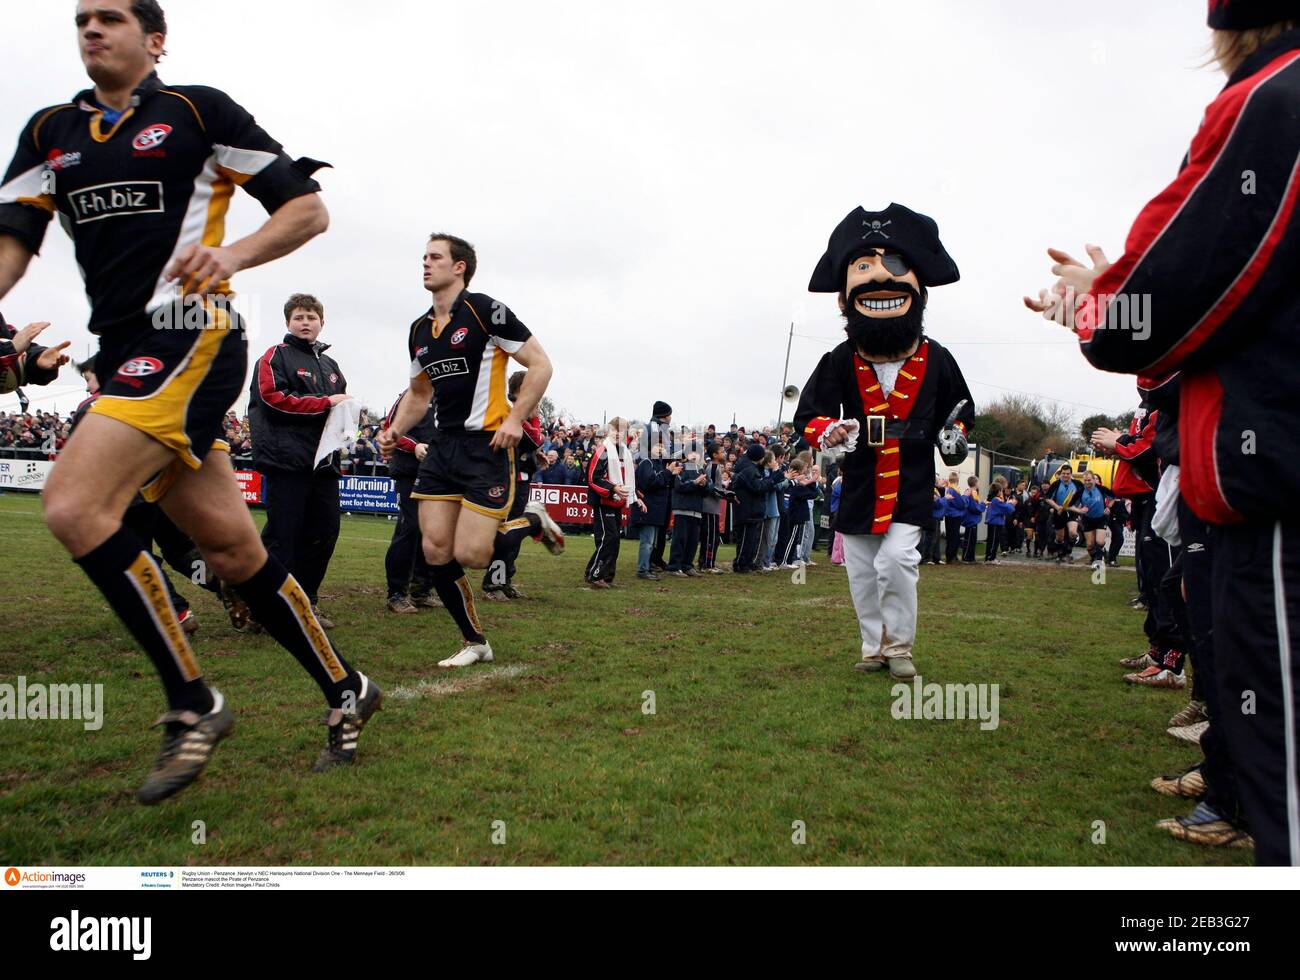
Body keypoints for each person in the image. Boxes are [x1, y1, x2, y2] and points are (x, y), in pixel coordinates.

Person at [0, 0, 381, 803]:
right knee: (238, 557)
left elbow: (306, 208)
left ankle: (192, 702)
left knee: (73, 504)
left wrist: (232, 252)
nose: (91, 30)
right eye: (80, 20)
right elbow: (11, 248)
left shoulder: (197, 111)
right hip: (125, 354)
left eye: (108, 17)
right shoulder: (47, 135)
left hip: (191, 335)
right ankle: (348, 688)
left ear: (156, 38)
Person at [1026, 0, 1300, 859]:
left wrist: (1096, 301)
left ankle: (1235, 798)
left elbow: (1166, 310)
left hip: (1277, 477)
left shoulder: (1277, 94)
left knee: (1284, 772)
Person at [795, 204, 975, 679]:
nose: (881, 279)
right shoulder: (838, 359)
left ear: (920, 292)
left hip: (912, 483)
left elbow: (959, 414)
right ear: (842, 299)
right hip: (858, 484)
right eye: (864, 267)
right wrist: (827, 432)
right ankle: (872, 647)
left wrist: (953, 437)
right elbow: (808, 414)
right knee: (861, 573)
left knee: (896, 560)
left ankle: (900, 646)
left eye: (895, 267)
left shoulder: (939, 359)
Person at [378, 234, 565, 667]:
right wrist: (394, 429)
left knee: (473, 555)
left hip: (487, 446)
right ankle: (475, 641)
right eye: (423, 256)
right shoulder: (419, 329)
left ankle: (529, 520)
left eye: (435, 257)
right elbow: (419, 395)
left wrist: (516, 419)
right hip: (442, 448)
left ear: (459, 266)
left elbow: (541, 365)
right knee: (435, 550)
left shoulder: (485, 310)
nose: (425, 263)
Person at [248, 294, 350, 628]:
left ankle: (306, 601)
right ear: (287, 322)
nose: (305, 322)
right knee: (283, 535)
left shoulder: (331, 367)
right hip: (286, 461)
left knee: (325, 531)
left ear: (322, 322)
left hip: (323, 464)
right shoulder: (274, 357)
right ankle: (267, 607)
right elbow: (271, 400)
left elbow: (339, 412)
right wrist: (324, 403)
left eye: (311, 317)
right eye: (298, 317)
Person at [482, 370, 545, 602]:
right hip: (507, 483)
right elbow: (535, 438)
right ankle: (492, 584)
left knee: (515, 534)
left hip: (521, 481)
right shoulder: (511, 411)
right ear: (521, 389)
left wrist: (534, 455)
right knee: (507, 532)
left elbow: (529, 444)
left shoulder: (522, 413)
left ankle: (505, 579)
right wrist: (535, 418)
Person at [380, 388, 439, 614]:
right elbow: (390, 428)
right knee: (410, 527)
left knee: (431, 530)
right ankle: (396, 592)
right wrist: (413, 446)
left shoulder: (448, 393)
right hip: (409, 470)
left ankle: (421, 589)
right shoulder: (413, 393)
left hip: (436, 473)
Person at [585, 417, 635, 588]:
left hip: (617, 502)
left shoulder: (623, 452)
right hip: (604, 501)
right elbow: (592, 478)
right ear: (610, 430)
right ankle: (595, 575)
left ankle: (605, 576)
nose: (620, 433)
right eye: (617, 429)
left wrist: (636, 497)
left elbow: (627, 479)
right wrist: (613, 488)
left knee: (614, 540)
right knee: (609, 538)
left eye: (623, 430)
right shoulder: (603, 450)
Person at [631, 443, 679, 580]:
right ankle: (642, 569)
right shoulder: (647, 462)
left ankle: (648, 566)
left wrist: (672, 474)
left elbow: (663, 484)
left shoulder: (659, 464)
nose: (661, 448)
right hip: (647, 508)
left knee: (652, 542)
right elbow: (650, 482)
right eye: (657, 445)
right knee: (647, 541)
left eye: (663, 445)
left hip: (656, 509)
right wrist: (668, 472)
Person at [731, 444, 781, 573]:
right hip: (748, 509)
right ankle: (741, 564)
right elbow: (758, 487)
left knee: (749, 539)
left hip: (749, 508)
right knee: (746, 539)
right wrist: (773, 477)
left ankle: (745, 563)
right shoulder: (749, 469)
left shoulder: (747, 466)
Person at [666, 453, 710, 577]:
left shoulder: (701, 470)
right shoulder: (681, 467)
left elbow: (708, 490)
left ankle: (687, 565)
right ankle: (674, 566)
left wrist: (704, 484)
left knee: (693, 540)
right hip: (682, 508)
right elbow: (678, 486)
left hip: (697, 510)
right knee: (680, 539)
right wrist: (695, 482)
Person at [983, 486, 1015, 564]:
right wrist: (1011, 503)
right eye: (1001, 491)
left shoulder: (994, 500)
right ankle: (990, 558)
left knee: (993, 541)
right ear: (998, 492)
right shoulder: (996, 500)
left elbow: (1002, 507)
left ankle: (990, 557)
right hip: (995, 523)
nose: (1002, 493)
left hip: (995, 522)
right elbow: (1007, 509)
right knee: (993, 541)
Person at [960, 476, 985, 564]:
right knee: (969, 539)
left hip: (973, 519)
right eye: (978, 482)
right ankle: (966, 557)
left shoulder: (973, 492)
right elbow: (974, 507)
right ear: (975, 483)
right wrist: (983, 505)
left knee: (973, 539)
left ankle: (971, 557)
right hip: (971, 520)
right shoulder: (971, 493)